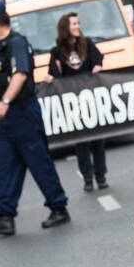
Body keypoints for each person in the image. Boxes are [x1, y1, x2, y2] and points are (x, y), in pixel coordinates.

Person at [0, 0, 70, 235]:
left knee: (38, 161)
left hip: (22, 111)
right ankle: (5, 216)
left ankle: (59, 207)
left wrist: (4, 103)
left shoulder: (16, 42)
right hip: (8, 115)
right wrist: (0, 107)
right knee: (5, 166)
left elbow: (21, 74)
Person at [44, 11, 109, 191]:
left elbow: (98, 62)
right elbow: (54, 74)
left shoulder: (87, 44)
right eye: (74, 24)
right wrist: (48, 79)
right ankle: (88, 178)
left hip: (92, 100)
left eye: (78, 23)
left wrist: (97, 68)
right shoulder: (57, 51)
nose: (78, 26)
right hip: (73, 104)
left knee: (98, 139)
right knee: (81, 143)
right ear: (65, 27)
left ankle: (101, 176)